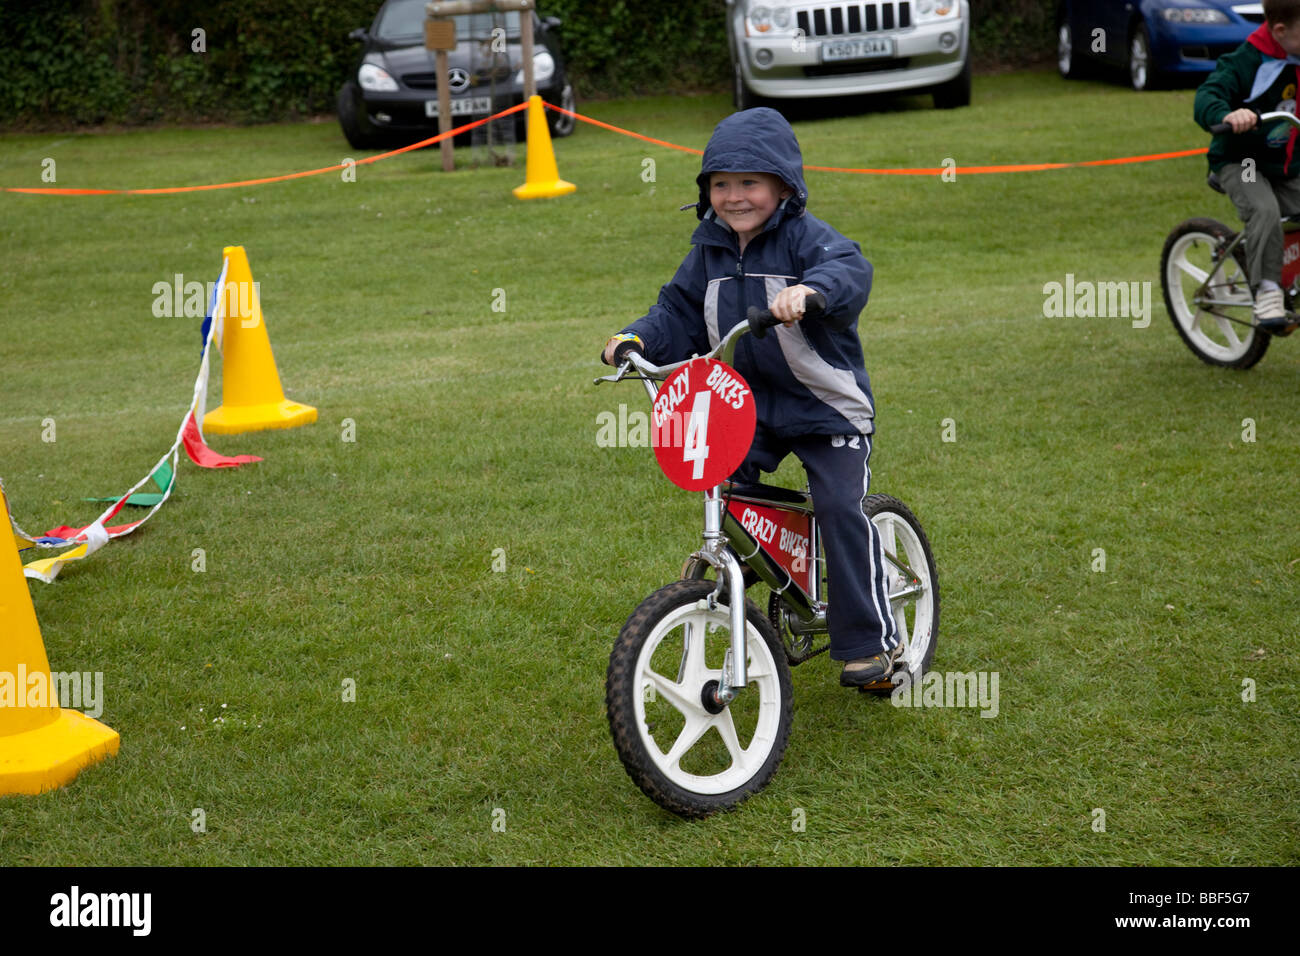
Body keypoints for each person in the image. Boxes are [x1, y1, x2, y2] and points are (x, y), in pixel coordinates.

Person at [601, 107, 900, 688]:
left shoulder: (806, 239)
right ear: (706, 191)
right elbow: (677, 311)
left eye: (749, 183)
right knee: (726, 491)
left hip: (824, 408)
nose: (734, 198)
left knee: (839, 508)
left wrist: (812, 291)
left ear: (783, 186)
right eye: (721, 185)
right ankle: (746, 592)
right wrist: (635, 338)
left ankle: (873, 645)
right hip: (749, 409)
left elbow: (851, 268)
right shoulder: (709, 251)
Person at [1194, 0, 1300, 332]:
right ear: (1280, 31)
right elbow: (1208, 95)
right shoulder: (1246, 61)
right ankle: (1268, 291)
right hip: (1245, 161)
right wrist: (1228, 114)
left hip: (1286, 163)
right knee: (1264, 210)